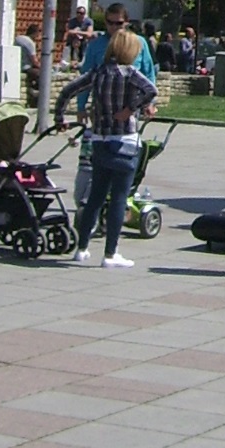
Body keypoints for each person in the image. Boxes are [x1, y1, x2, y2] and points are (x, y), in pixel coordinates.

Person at [72, 29, 157, 271]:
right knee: (119, 198)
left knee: (95, 197)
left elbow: (70, 89)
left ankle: (82, 248)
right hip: (125, 141)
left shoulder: (98, 73)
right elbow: (151, 90)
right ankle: (110, 254)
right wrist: (132, 109)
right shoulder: (130, 73)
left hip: (100, 139)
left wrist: (60, 116)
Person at [55, 4, 155, 125]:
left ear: (126, 22)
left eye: (118, 23)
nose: (113, 27)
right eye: (110, 23)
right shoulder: (96, 44)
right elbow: (85, 76)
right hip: (101, 106)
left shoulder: (138, 42)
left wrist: (150, 103)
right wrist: (81, 107)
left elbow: (149, 73)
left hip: (130, 106)